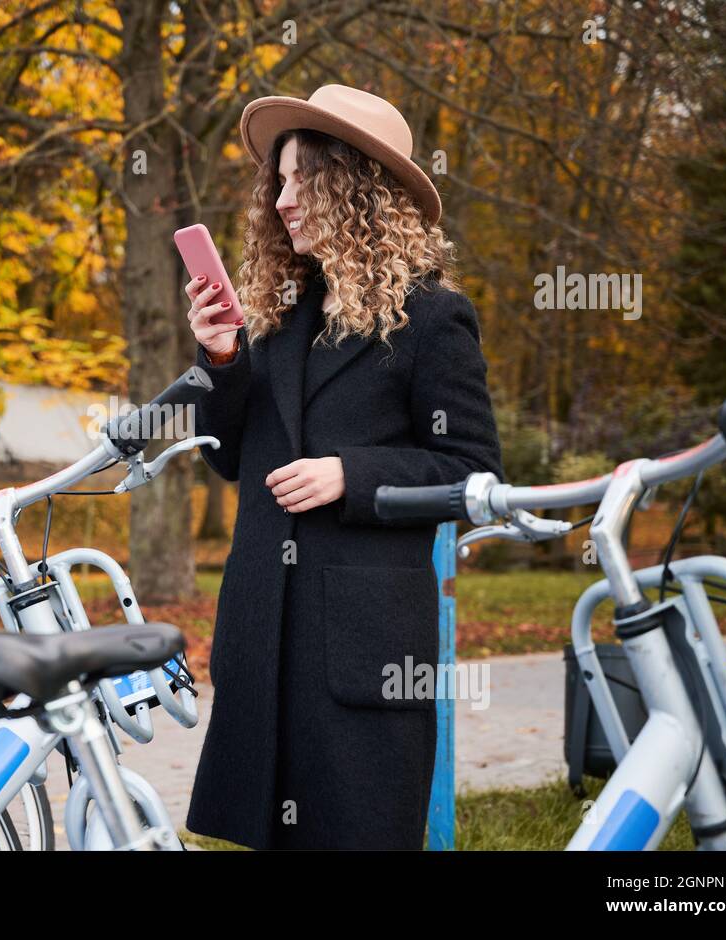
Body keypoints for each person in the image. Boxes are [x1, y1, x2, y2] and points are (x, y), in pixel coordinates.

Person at [183, 85, 504, 849]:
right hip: (265, 637)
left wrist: (349, 475)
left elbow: (472, 472)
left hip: (360, 652)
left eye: (303, 179)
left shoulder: (433, 318)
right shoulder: (284, 313)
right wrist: (222, 358)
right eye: (280, 182)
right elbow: (229, 459)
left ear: (355, 186)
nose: (284, 200)